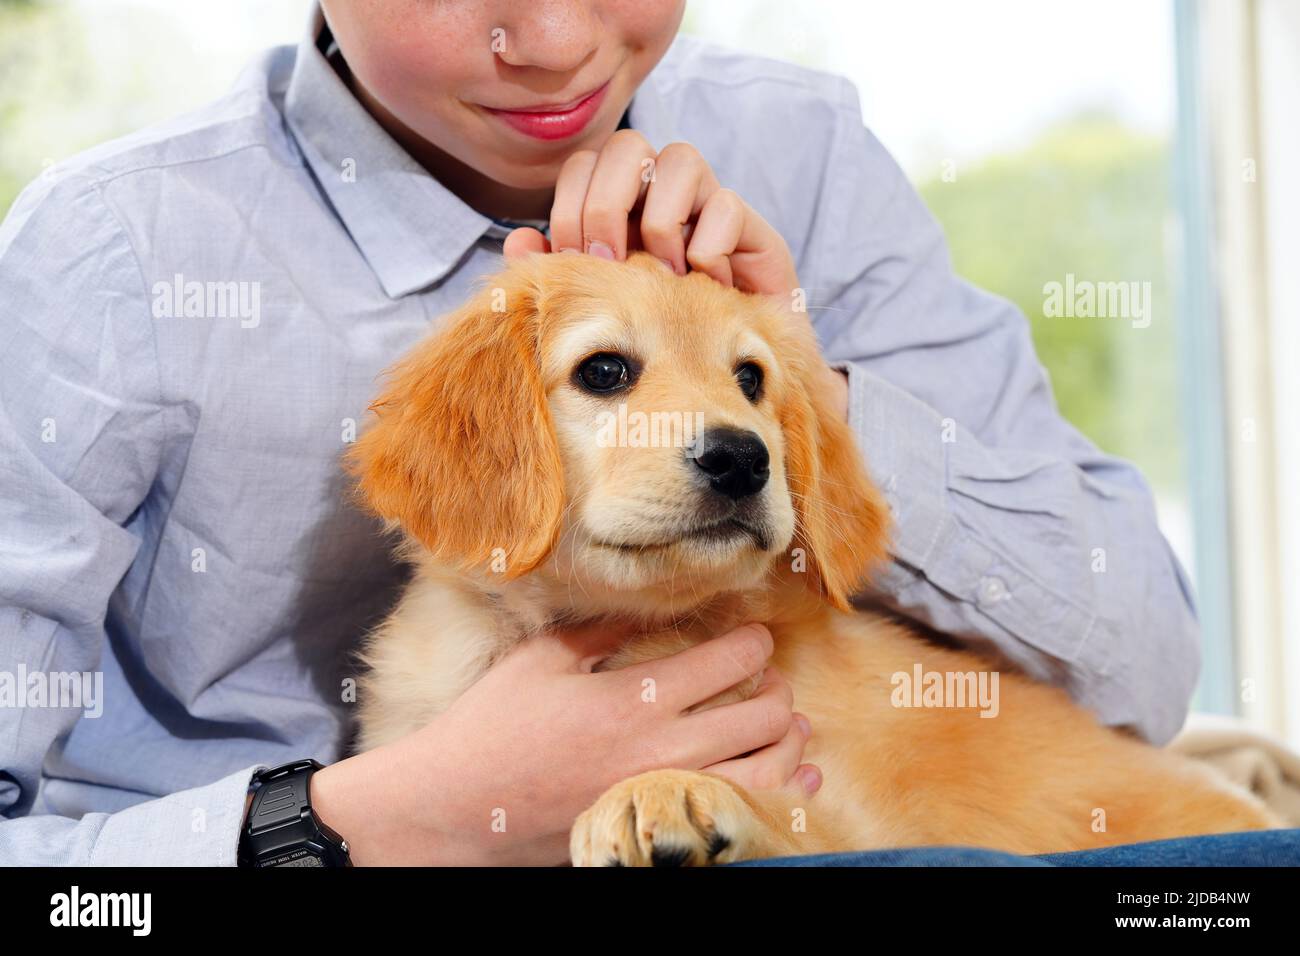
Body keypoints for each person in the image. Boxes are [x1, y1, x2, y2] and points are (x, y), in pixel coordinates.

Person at [0, 0, 1199, 866]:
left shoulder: (805, 151)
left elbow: (1143, 670)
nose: (562, 43)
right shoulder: (112, 254)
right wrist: (372, 820)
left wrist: (801, 389)